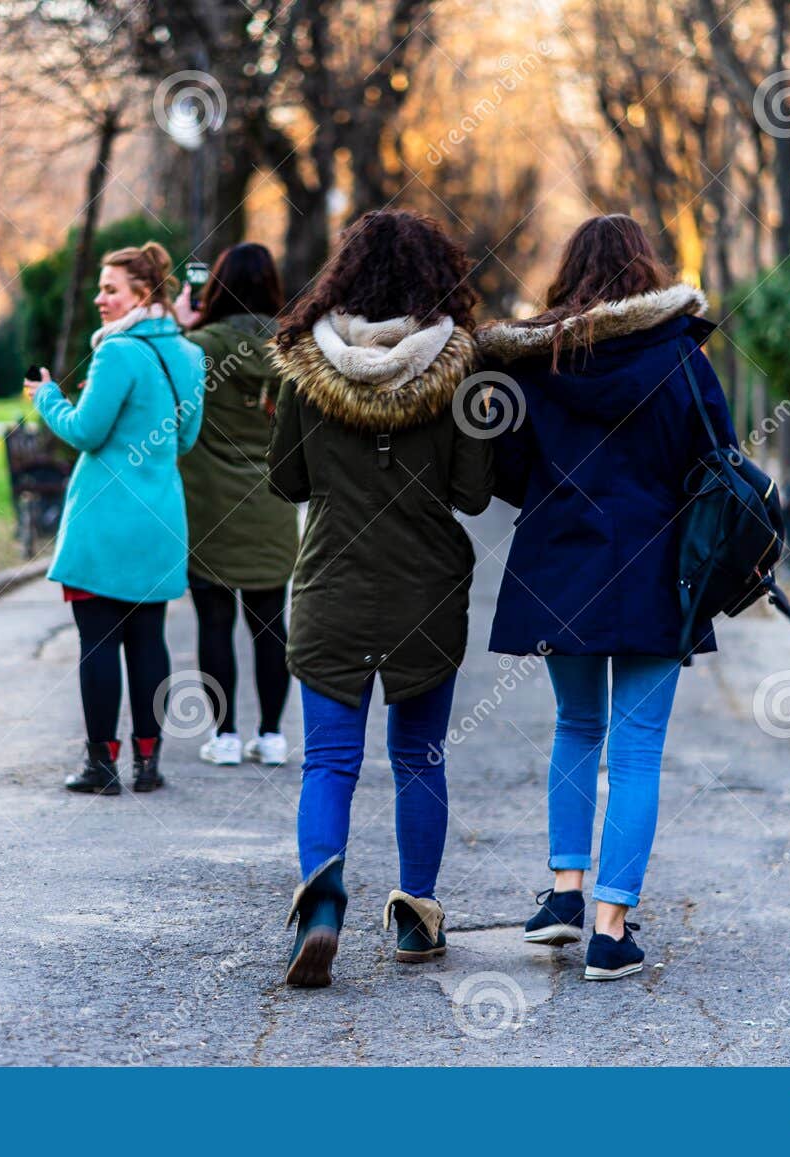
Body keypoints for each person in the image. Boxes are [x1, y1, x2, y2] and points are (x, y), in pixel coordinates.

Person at [477, 213, 739, 982]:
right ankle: (611, 928)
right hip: (661, 571)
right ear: (644, 270)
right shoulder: (683, 357)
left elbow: (506, 469)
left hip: (563, 567)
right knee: (636, 748)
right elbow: (718, 460)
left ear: (570, 273)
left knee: (575, 724)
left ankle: (563, 891)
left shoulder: (538, 363)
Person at [267, 209, 493, 988]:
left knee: (329, 760)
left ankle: (322, 905)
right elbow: (471, 492)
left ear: (345, 274)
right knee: (418, 758)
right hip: (425, 590)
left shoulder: (308, 366)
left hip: (331, 584)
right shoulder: (461, 367)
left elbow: (286, 479)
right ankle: (415, 916)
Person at [25, 242, 206, 796]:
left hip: (105, 518)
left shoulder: (116, 353)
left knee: (99, 643)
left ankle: (101, 766)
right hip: (160, 516)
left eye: (111, 288)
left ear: (142, 294)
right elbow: (187, 438)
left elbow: (84, 431)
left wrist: (48, 397)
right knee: (149, 639)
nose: (99, 297)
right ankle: (148, 763)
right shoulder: (191, 355)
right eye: (100, 287)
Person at [171, 243, 298, 769]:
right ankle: (271, 736)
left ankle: (224, 735)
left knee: (213, 623)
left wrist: (182, 326)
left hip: (209, 504)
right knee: (271, 625)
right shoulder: (290, 348)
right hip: (270, 502)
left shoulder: (196, 348)